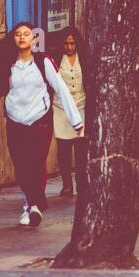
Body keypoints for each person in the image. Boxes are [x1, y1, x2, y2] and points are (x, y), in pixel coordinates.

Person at [0, 21, 82, 228]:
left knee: (36, 160)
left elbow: (61, 89)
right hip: (16, 120)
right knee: (21, 164)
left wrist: (76, 120)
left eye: (26, 34)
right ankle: (32, 203)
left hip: (40, 120)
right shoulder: (7, 64)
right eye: (18, 34)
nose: (22, 37)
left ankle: (33, 205)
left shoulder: (43, 62)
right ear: (13, 39)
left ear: (34, 39)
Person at [52, 27, 90, 198]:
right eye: (66, 44)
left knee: (81, 148)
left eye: (72, 43)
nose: (69, 47)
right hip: (61, 109)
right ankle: (67, 184)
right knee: (64, 148)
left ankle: (82, 183)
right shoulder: (56, 59)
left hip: (81, 105)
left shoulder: (85, 59)